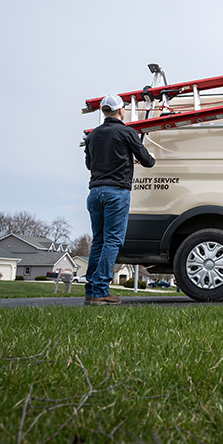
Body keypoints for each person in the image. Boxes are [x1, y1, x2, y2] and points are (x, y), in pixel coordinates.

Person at [84, 94, 155, 305]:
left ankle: (91, 290)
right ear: (121, 111)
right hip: (116, 193)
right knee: (113, 241)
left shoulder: (93, 136)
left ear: (103, 112)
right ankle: (100, 292)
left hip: (95, 193)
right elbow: (148, 161)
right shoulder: (127, 133)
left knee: (98, 241)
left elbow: (90, 165)